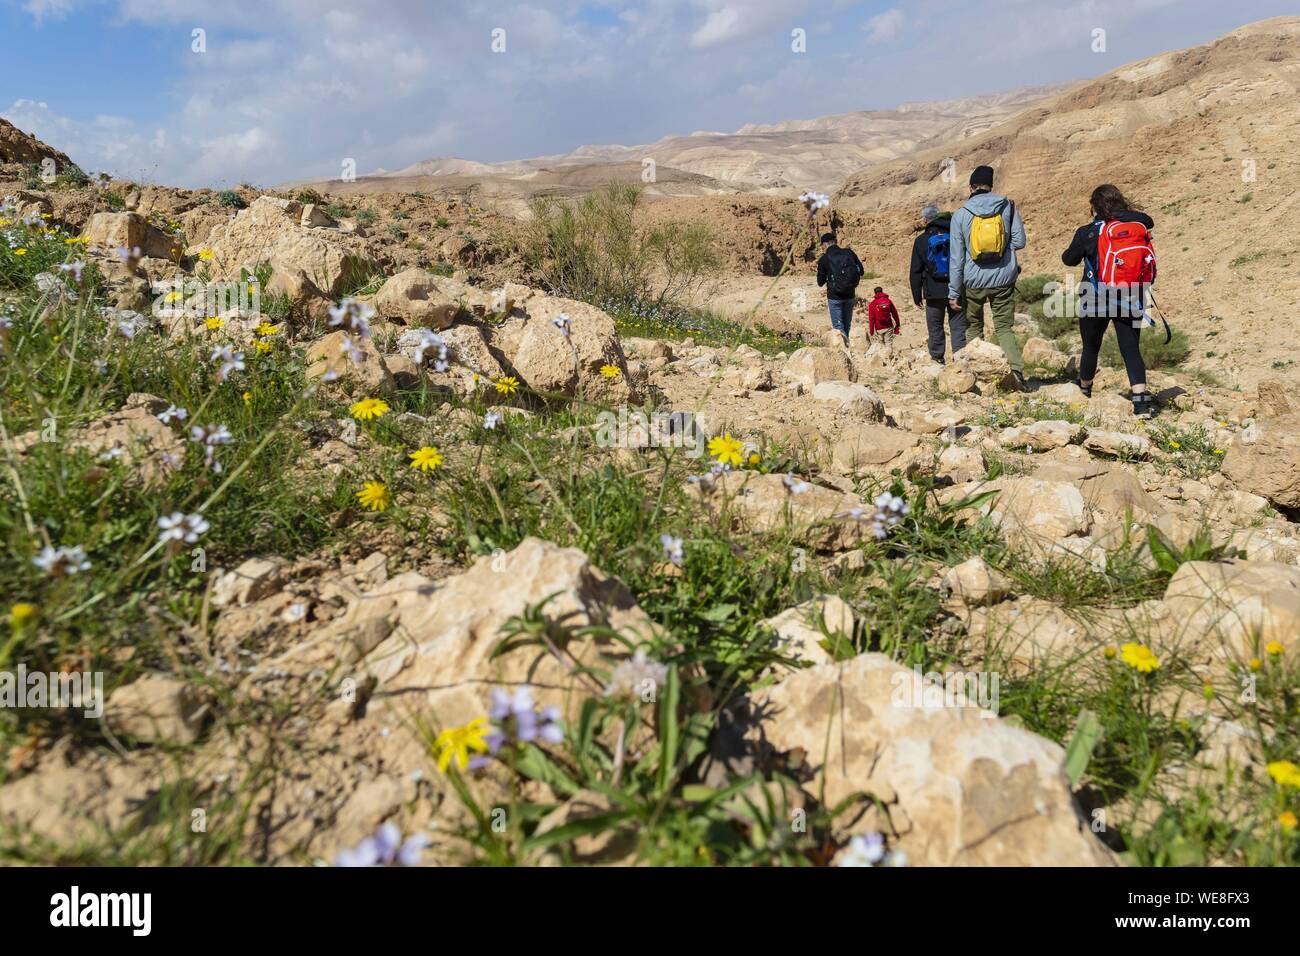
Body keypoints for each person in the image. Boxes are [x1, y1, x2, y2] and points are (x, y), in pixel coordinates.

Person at [1062, 184, 1158, 418]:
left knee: (1091, 346)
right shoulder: (1137, 225)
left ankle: (1084, 390)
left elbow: (1068, 259)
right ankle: (1141, 402)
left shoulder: (1089, 232)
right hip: (1131, 292)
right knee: (1130, 347)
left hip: (1095, 295)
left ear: (1095, 207)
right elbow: (1149, 220)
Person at [948, 165, 1028, 389]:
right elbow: (1020, 242)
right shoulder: (1008, 207)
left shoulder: (961, 215)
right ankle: (1017, 375)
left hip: (973, 283)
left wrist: (954, 293)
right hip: (1004, 280)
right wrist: (1004, 254)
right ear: (991, 186)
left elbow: (956, 260)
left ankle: (977, 376)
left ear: (972, 187)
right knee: (1003, 327)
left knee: (973, 327)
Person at [909, 203, 965, 363]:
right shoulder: (956, 234)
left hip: (933, 291)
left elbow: (916, 270)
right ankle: (960, 359)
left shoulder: (921, 240)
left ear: (926, 221)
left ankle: (937, 358)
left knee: (935, 326)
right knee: (958, 326)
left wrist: (916, 294)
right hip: (956, 288)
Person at [816, 232, 865, 345]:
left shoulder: (824, 258)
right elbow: (861, 271)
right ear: (835, 241)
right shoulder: (849, 253)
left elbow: (820, 282)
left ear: (825, 244)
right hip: (850, 294)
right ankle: (848, 347)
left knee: (838, 327)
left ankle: (844, 351)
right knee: (847, 325)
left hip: (834, 296)